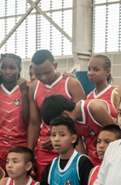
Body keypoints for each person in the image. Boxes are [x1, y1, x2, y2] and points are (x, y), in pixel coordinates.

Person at [27, 50, 85, 178]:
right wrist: (29, 153)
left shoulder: (71, 84)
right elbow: (34, 123)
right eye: (38, 74)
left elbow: (83, 120)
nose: (43, 77)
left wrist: (60, 137)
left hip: (70, 146)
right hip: (45, 148)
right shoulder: (33, 87)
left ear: (55, 65)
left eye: (47, 72)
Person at [0, 53, 30, 170]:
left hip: (20, 147)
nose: (7, 71)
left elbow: (28, 120)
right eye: (3, 67)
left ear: (19, 69)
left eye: (12, 68)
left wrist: (24, 93)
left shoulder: (27, 89)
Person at [76, 54, 118, 167]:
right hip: (92, 155)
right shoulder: (88, 97)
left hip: (111, 155)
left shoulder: (115, 94)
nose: (91, 73)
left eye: (96, 69)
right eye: (89, 69)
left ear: (107, 71)